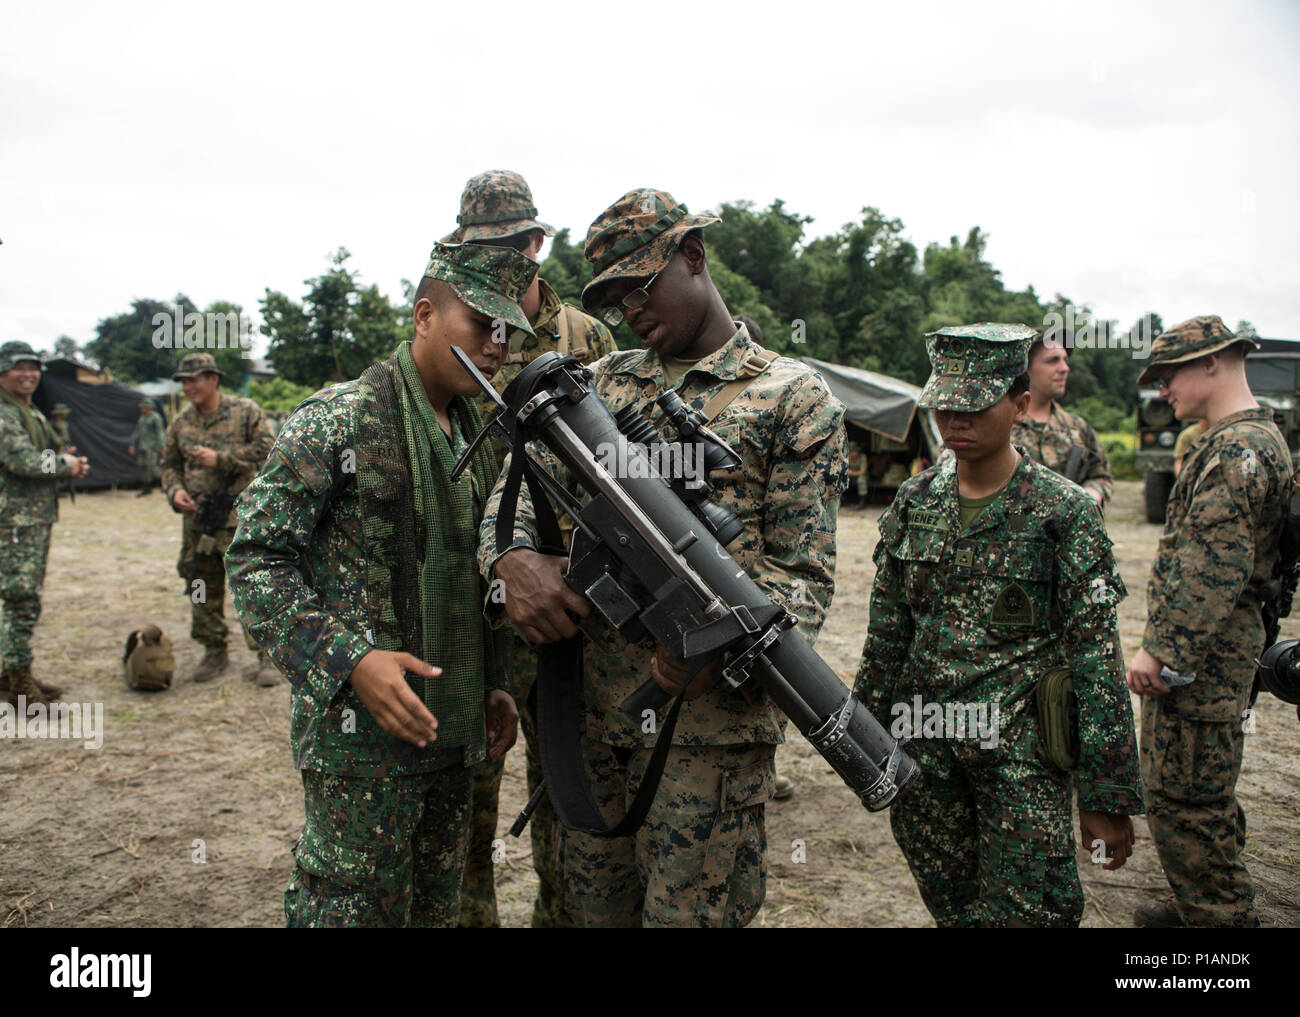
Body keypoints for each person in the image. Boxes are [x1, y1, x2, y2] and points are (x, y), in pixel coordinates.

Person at [478, 189, 847, 927]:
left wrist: (716, 640)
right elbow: (519, 490)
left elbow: (804, 580)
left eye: (640, 289)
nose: (631, 314)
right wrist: (510, 556)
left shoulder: (793, 398)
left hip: (710, 735)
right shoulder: (602, 385)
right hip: (594, 726)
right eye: (613, 302)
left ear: (694, 256)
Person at [226, 242, 529, 927]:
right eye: (482, 325)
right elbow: (256, 560)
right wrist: (350, 660)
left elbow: (481, 573)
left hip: (452, 736)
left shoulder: (479, 436)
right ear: (426, 314)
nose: (497, 347)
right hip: (360, 746)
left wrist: (496, 680)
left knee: (434, 910)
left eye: (508, 332)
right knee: (349, 909)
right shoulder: (339, 419)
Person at [854, 323, 1141, 927]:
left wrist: (1105, 793)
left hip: (1022, 758)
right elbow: (887, 635)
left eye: (975, 405)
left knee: (1033, 912)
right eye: (946, 405)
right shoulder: (914, 501)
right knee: (954, 909)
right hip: (925, 752)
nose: (956, 420)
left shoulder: (1063, 510)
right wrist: (862, 742)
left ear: (1017, 403)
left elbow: (1096, 657)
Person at [444, 169, 617, 929]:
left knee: (566, 798)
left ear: (538, 243)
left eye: (511, 246)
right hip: (474, 605)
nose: (495, 263)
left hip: (566, 604)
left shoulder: (589, 339)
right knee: (467, 804)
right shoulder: (451, 330)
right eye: (476, 248)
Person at [1126, 316, 1291, 929]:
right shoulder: (1247, 439)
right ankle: (1203, 901)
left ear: (1213, 362)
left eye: (1169, 374)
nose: (1162, 388)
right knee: (1200, 786)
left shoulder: (1235, 450)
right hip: (1218, 653)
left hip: (1204, 660)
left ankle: (1219, 923)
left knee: (1185, 796)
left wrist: (1164, 652)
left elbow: (1214, 564)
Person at [160, 352, 275, 684]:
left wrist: (221, 459)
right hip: (197, 520)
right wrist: (174, 492)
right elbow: (169, 465)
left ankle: (265, 656)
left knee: (249, 585)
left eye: (194, 379)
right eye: (183, 381)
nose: (188, 387)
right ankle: (213, 649)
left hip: (238, 516)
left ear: (213, 379)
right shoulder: (181, 423)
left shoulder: (245, 412)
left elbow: (269, 447)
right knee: (199, 583)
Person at [0, 341, 89, 705]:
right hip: (15, 521)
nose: (29, 374)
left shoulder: (27, 411)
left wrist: (63, 458)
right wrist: (67, 466)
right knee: (21, 598)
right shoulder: (5, 414)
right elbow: (23, 462)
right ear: (3, 371)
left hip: (31, 517)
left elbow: (45, 452)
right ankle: (19, 682)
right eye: (20, 367)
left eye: (34, 368)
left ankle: (12, 673)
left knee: (23, 596)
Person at [1010, 329, 1113, 508]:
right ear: (1026, 368)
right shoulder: (1000, 425)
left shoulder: (1077, 427)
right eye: (1053, 361)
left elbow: (1101, 475)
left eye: (1065, 360)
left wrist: (1093, 493)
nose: (1065, 368)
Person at [129, 400, 166, 496]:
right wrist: (133, 444)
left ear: (148, 407)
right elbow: (137, 432)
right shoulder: (142, 418)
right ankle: (147, 488)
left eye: (143, 407)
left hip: (151, 446)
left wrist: (162, 446)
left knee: (152, 467)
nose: (141, 409)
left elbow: (160, 432)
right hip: (142, 446)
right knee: (142, 466)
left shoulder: (156, 418)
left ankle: (166, 483)